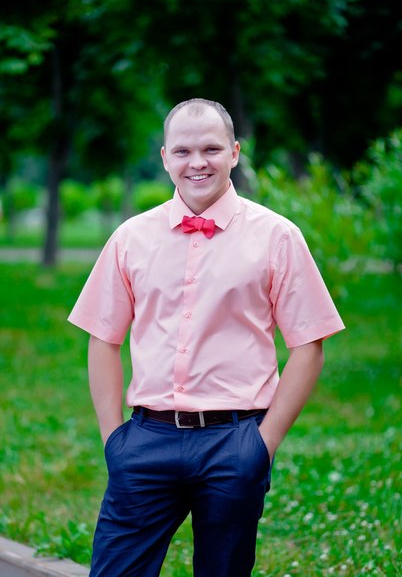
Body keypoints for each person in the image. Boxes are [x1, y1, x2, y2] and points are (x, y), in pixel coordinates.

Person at [68, 98, 345, 577]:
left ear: (234, 153)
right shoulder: (131, 238)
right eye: (183, 151)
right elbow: (103, 338)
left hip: (234, 442)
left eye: (211, 149)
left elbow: (309, 344)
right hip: (146, 440)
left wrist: (263, 443)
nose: (197, 162)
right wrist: (114, 439)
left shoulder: (277, 237)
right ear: (165, 158)